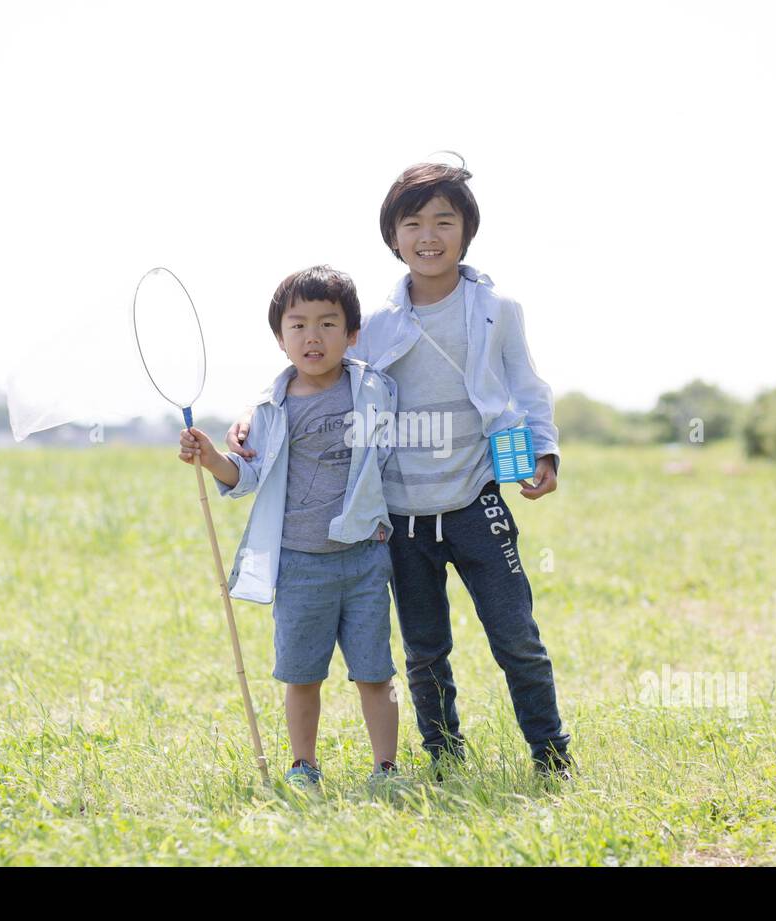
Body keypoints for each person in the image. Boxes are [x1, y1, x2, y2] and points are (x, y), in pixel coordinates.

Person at [226, 161, 573, 779]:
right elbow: (315, 362)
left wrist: (543, 450)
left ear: (467, 231)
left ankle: (551, 755)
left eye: (445, 220)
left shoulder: (497, 308)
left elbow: (527, 386)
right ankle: (443, 758)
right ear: (393, 237)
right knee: (423, 648)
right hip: (400, 516)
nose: (429, 235)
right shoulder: (376, 322)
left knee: (515, 634)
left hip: (476, 498)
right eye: (412, 223)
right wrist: (253, 421)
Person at [180, 265, 401, 788]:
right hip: (299, 563)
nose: (313, 336)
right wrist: (212, 457)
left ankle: (386, 767)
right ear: (280, 338)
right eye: (298, 325)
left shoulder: (375, 389)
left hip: (365, 556)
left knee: (376, 671)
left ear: (352, 335)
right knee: (301, 674)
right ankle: (303, 764)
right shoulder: (267, 410)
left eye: (328, 324)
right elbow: (247, 475)